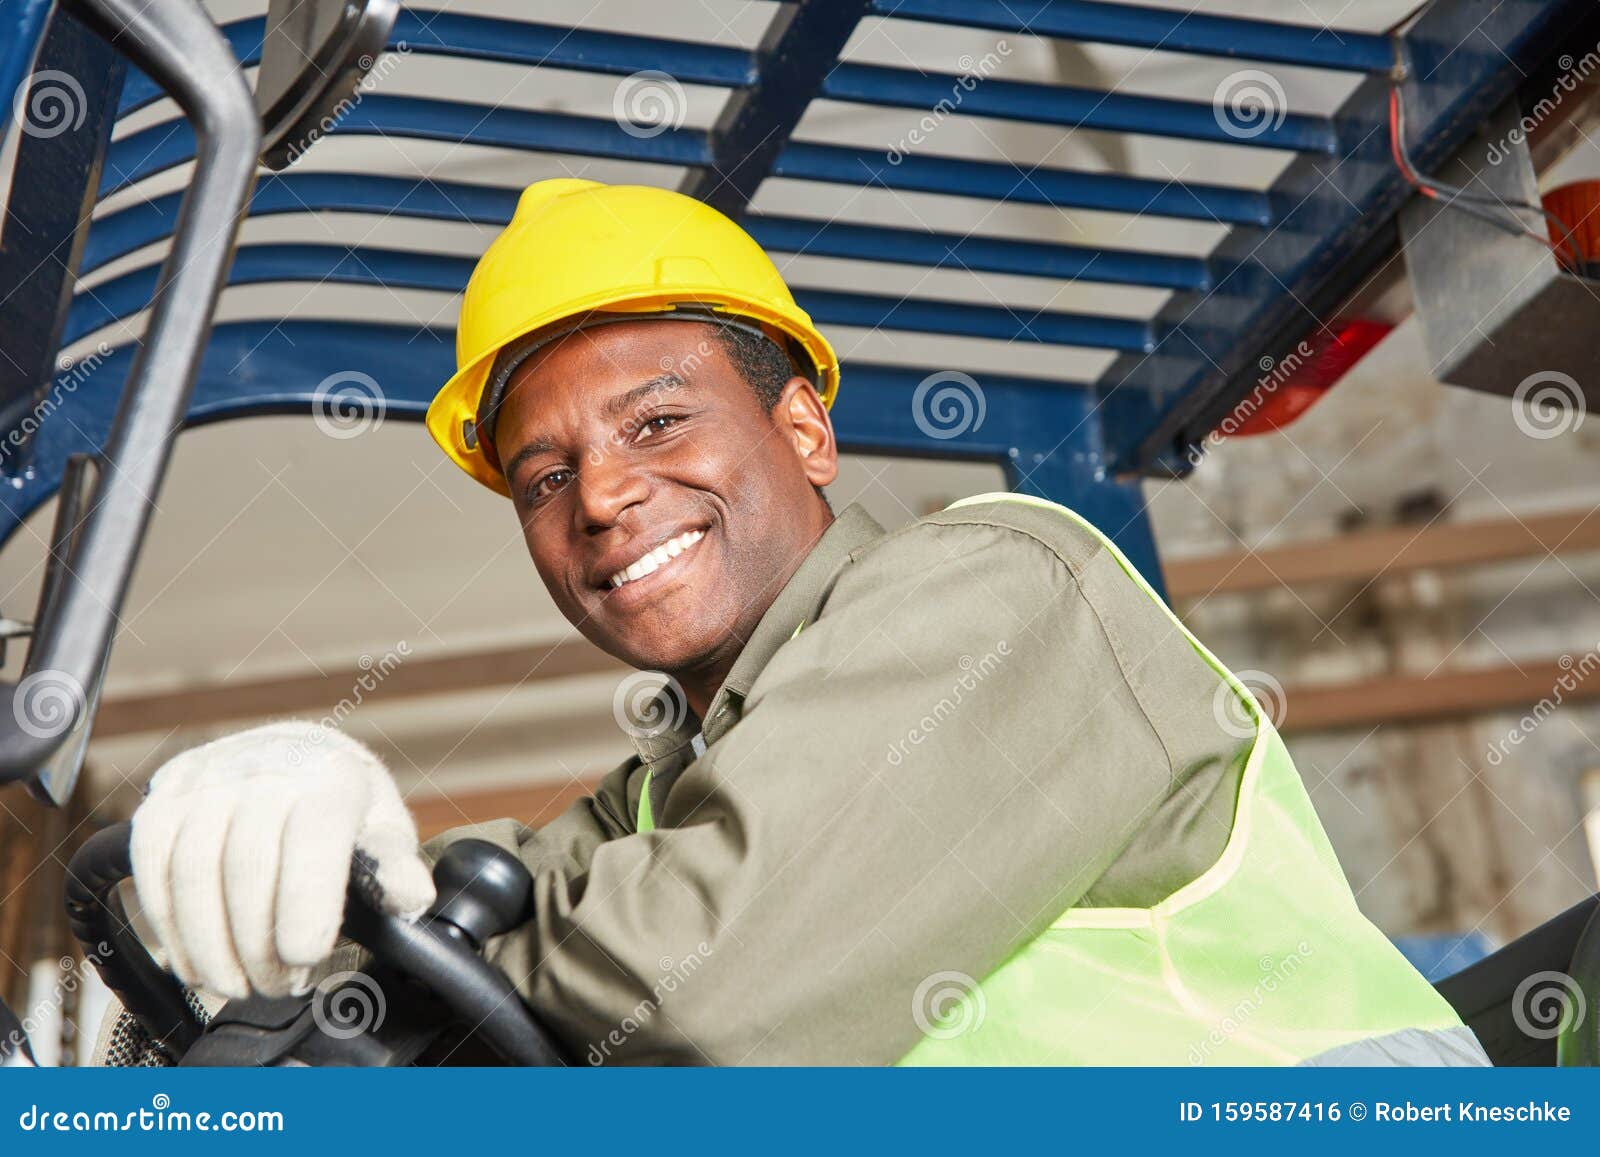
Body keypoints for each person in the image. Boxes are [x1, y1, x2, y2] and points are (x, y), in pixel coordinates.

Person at [127, 179, 1489, 1066]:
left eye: (658, 422)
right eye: (544, 479)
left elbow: (708, 986)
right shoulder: (667, 790)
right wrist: (332, 861)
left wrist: (430, 951)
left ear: (805, 427)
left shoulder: (999, 586)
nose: (601, 494)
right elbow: (506, 904)